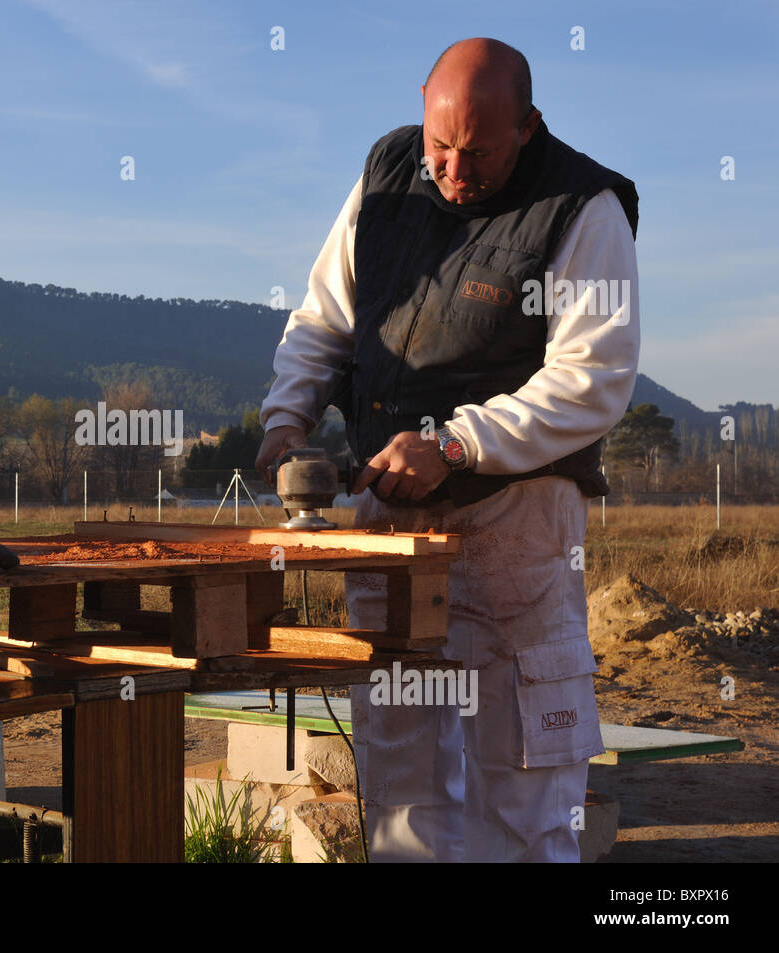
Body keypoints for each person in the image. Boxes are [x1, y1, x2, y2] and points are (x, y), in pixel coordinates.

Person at [255, 38, 639, 862]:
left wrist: (456, 444)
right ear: (421, 109)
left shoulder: (583, 208)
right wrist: (285, 420)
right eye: (441, 146)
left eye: (480, 152)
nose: (455, 169)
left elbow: (592, 379)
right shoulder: (389, 174)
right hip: (391, 532)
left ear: (528, 126)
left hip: (515, 531)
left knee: (522, 795)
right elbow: (325, 318)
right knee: (402, 786)